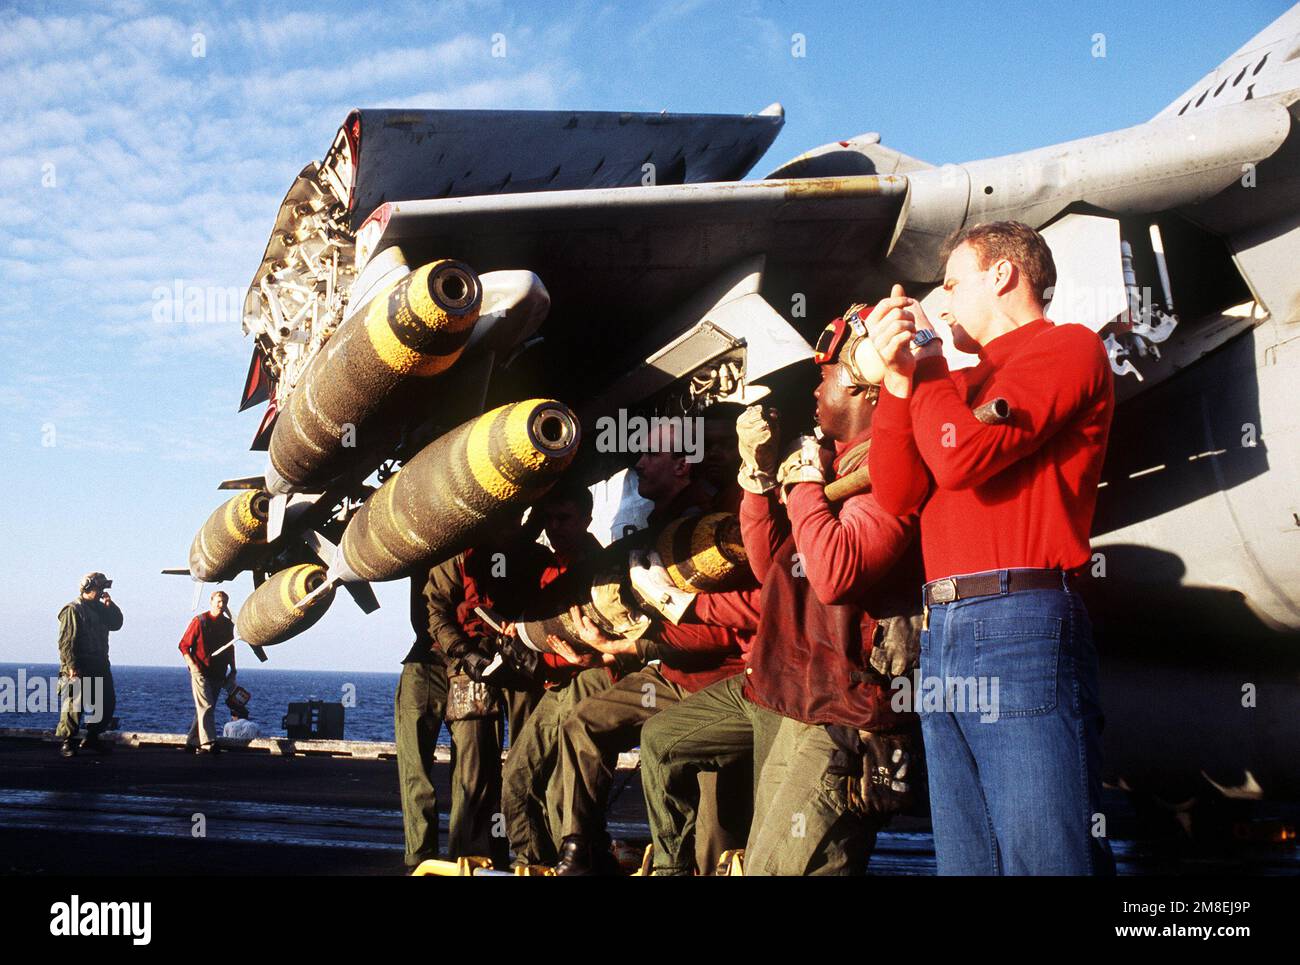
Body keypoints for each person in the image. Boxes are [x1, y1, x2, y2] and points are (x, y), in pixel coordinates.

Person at [634, 307, 922, 875]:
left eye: (827, 376)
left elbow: (836, 571)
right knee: (767, 861)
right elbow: (775, 570)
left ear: (862, 390)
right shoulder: (835, 466)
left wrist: (807, 486)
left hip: (845, 717)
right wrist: (760, 480)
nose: (815, 389)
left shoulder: (887, 470)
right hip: (800, 702)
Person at [868, 220, 1116, 875]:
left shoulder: (1069, 347)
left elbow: (960, 459)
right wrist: (898, 383)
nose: (941, 299)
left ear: (1003, 274)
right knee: (969, 860)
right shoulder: (960, 385)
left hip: (1019, 619)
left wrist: (922, 360)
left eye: (952, 281)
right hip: (946, 623)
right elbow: (897, 493)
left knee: (1043, 855)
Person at [551, 421, 751, 875]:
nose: (638, 462)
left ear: (682, 465)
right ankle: (583, 851)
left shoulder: (707, 533)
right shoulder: (658, 527)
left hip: (716, 682)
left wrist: (630, 647)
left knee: (714, 831)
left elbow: (719, 632)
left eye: (650, 454)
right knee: (584, 722)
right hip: (672, 674)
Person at [395, 522, 553, 870]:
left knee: (482, 767)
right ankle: (438, 857)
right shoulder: (452, 551)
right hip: (443, 660)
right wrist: (466, 655)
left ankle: (483, 855)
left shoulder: (518, 553)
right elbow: (437, 611)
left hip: (483, 661)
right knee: (444, 769)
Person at [500, 483, 611, 867]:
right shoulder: (549, 566)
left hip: (584, 681)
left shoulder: (601, 568)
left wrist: (587, 662)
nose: (554, 527)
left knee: (564, 790)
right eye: (549, 519)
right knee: (517, 776)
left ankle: (575, 860)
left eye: (564, 519)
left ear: (586, 520)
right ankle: (532, 862)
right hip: (555, 682)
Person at [55, 572, 122, 757]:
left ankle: (92, 736)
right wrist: (71, 666)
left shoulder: (101, 609)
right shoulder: (73, 609)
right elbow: (66, 642)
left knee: (106, 702)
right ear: (88, 587)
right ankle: (68, 741)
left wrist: (110, 606)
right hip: (79, 664)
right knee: (73, 705)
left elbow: (117, 624)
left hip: (99, 663)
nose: (101, 592)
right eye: (98, 588)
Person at [179, 590, 238, 754]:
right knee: (207, 705)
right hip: (201, 671)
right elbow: (184, 645)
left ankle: (192, 741)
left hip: (218, 672)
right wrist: (192, 665)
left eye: (224, 602)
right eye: (218, 601)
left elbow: (230, 647)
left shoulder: (228, 625)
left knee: (206, 708)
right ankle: (209, 742)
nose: (221, 605)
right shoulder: (199, 621)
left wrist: (233, 669)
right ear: (211, 601)